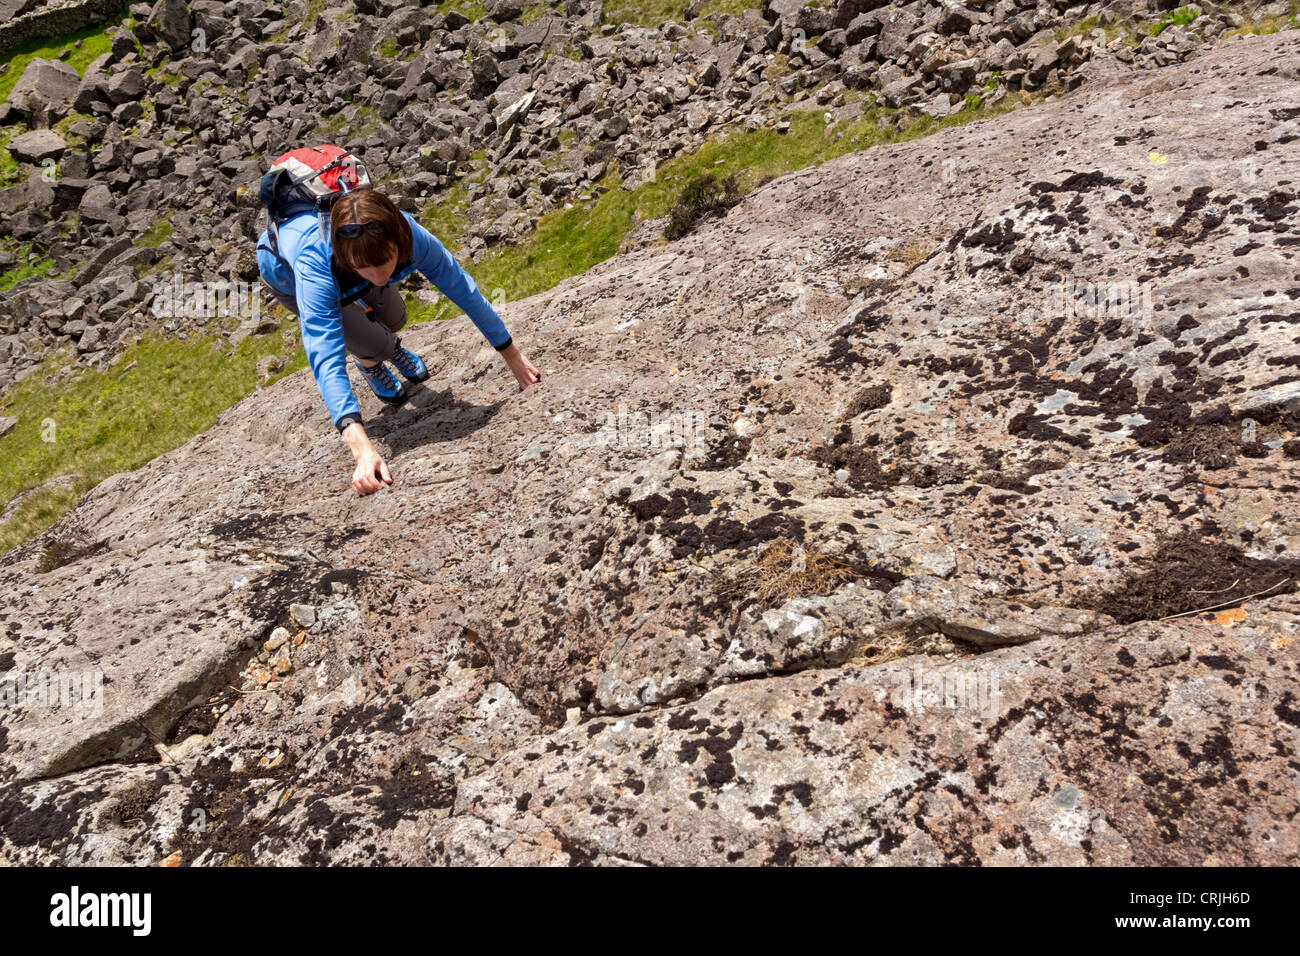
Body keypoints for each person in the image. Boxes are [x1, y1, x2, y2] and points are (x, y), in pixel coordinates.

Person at [255, 187, 540, 496]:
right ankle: (370, 360)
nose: (377, 275)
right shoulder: (315, 262)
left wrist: (511, 354)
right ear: (342, 254)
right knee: (376, 345)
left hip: (350, 264)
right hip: (288, 275)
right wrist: (361, 449)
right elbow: (325, 354)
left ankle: (377, 341)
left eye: (385, 261)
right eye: (366, 267)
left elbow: (461, 288)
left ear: (397, 240)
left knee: (395, 318)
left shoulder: (407, 232)